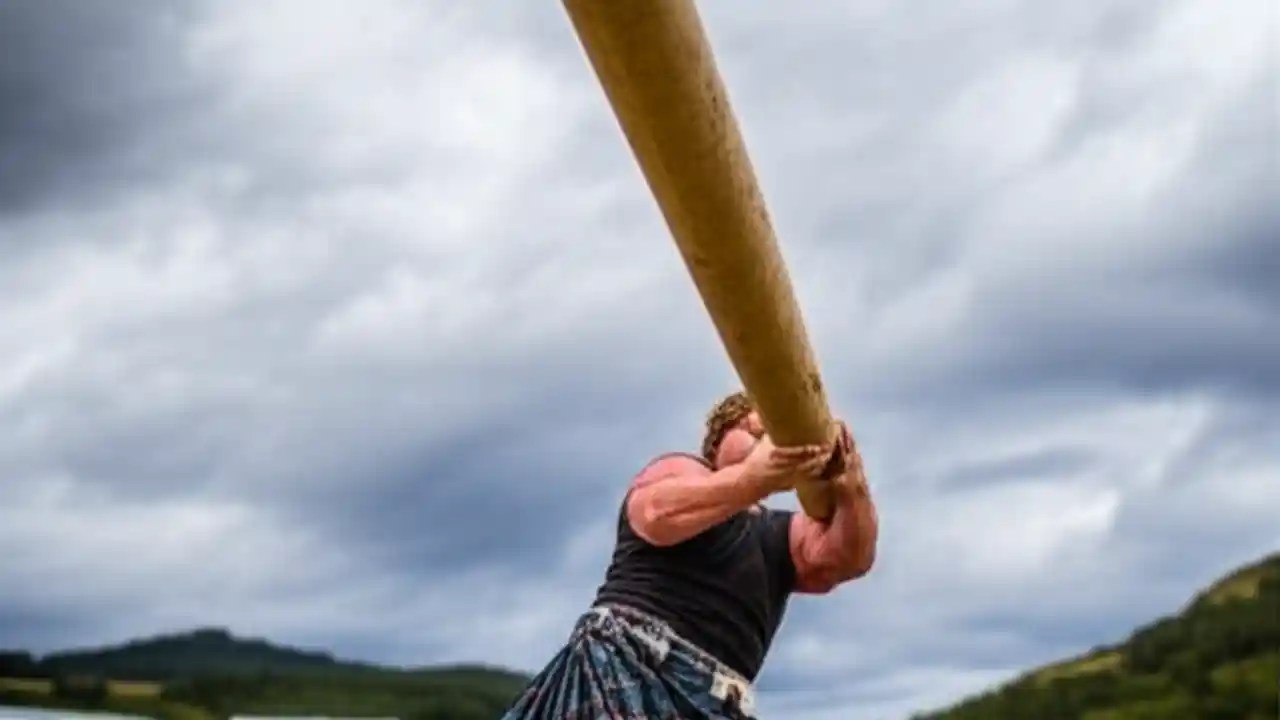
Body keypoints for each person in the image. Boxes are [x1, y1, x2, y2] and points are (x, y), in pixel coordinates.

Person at [501, 391, 879, 719]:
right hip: (634, 659)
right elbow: (656, 514)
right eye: (753, 433)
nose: (766, 444)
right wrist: (752, 479)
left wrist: (852, 488)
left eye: (774, 437)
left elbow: (846, 560)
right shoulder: (682, 469)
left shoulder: (779, 532)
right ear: (718, 439)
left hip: (717, 701)